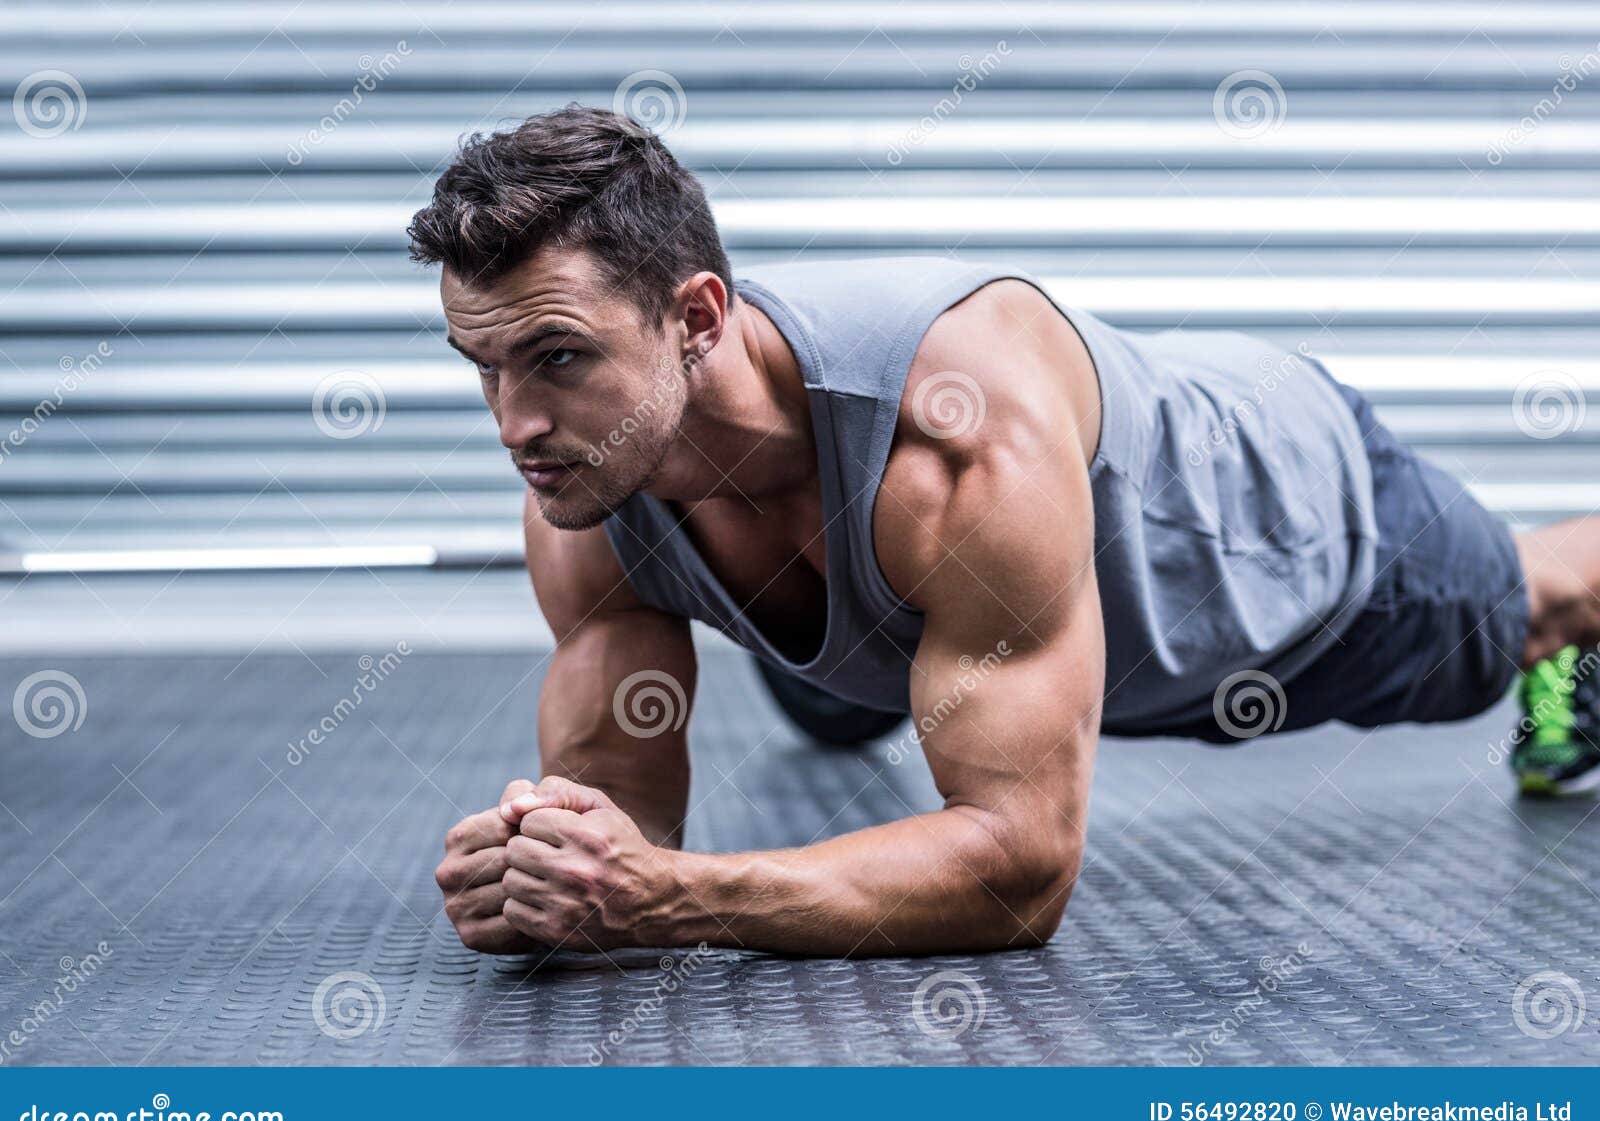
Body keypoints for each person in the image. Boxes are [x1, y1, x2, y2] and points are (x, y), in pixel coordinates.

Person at [411, 104, 1600, 958]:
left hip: (1271, 531)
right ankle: (854, 655)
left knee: (1522, 611)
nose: (516, 423)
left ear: (697, 316)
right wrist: (551, 872)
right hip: (920, 599)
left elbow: (1020, 874)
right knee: (872, 656)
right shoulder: (582, 477)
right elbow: (615, 813)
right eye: (486, 368)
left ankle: (1559, 652)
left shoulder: (956, 445)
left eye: (559, 358)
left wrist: (668, 896)